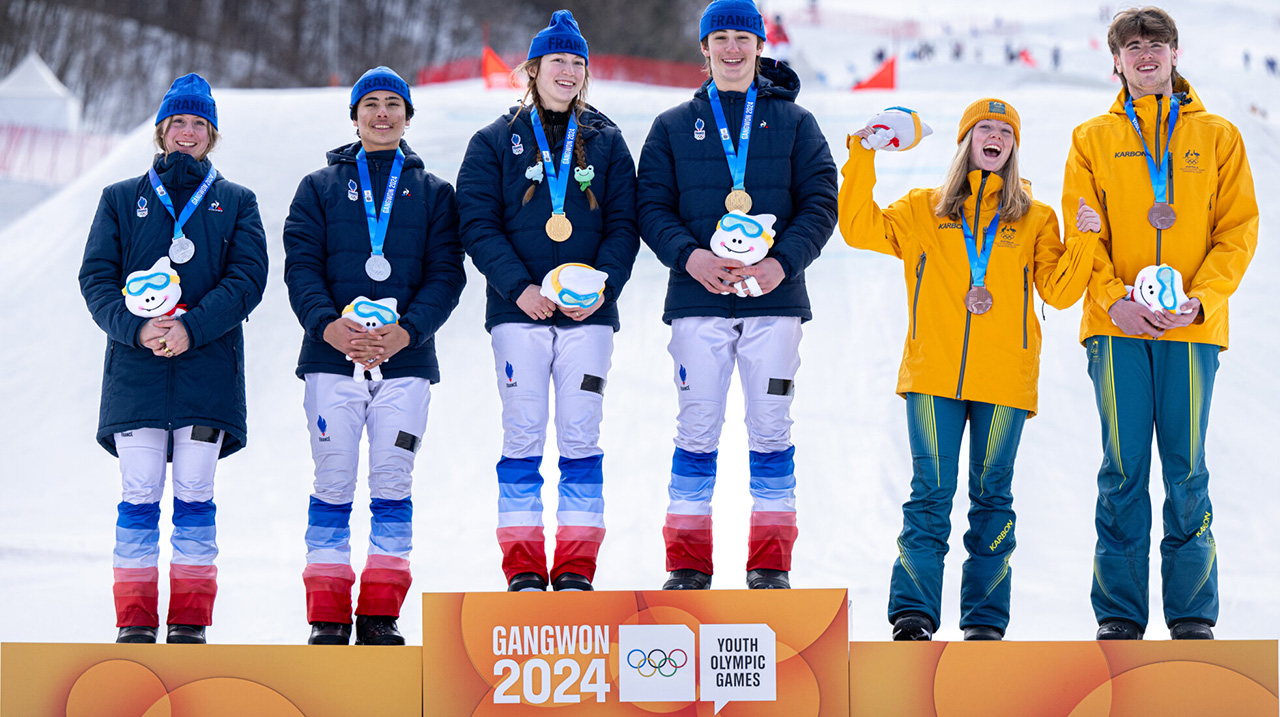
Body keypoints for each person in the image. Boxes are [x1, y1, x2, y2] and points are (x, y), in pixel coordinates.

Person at [840, 100, 1099, 641]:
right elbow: (858, 228)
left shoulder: (1035, 218)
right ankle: (914, 615)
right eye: (986, 127)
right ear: (966, 140)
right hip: (934, 378)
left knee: (992, 499)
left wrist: (1084, 239)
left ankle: (984, 623)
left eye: (1007, 131)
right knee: (929, 494)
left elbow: (1061, 290)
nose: (996, 137)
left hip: (1005, 381)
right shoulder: (922, 210)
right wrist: (862, 157)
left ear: (1013, 146)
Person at [1063, 6, 1257, 641]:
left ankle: (1193, 617)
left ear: (1177, 53)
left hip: (1192, 329)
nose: (1146, 55)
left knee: (1187, 467)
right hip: (1118, 327)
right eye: (1133, 46)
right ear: (1115, 60)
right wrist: (1112, 299)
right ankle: (1119, 617)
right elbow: (1081, 232)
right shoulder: (1091, 139)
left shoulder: (1220, 136)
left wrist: (1201, 299)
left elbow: (1238, 232)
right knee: (1122, 469)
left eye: (1157, 44)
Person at [637, 0, 837, 591]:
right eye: (719, 38)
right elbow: (650, 205)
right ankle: (688, 563)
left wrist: (783, 263)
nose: (731, 49)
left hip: (773, 302)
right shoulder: (672, 125)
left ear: (759, 44)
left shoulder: (796, 122)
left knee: (771, 429)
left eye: (741, 38)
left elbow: (822, 201)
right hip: (699, 301)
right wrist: (690, 256)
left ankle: (770, 564)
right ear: (703, 48)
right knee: (695, 428)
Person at [79, 73, 268, 644]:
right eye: (178, 122)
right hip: (136, 375)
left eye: (199, 124)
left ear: (212, 134)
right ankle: (134, 625)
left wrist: (191, 327)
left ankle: (189, 623)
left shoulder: (236, 201)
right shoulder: (118, 199)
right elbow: (96, 280)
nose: (187, 132)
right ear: (161, 130)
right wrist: (138, 330)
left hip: (206, 373)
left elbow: (248, 281)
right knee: (138, 497)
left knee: (195, 498)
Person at [456, 10, 639, 593]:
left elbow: (625, 224)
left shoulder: (606, 141)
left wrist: (601, 284)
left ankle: (577, 568)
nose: (568, 71)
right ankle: (525, 567)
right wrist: (520, 288)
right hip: (520, 314)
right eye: (557, 60)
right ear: (531, 70)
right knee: (523, 434)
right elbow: (476, 224)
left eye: (577, 62)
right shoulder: (491, 141)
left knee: (582, 436)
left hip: (590, 317)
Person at [283, 66, 466, 645]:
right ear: (355, 115)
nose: (382, 113)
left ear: (408, 115)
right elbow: (301, 267)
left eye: (393, 104)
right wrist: (327, 326)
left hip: (405, 363)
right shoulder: (318, 187)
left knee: (392, 482)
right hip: (331, 359)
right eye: (371, 105)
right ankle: (328, 615)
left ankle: (381, 613)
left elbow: (446, 276)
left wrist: (407, 332)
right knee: (332, 481)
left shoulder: (435, 192)